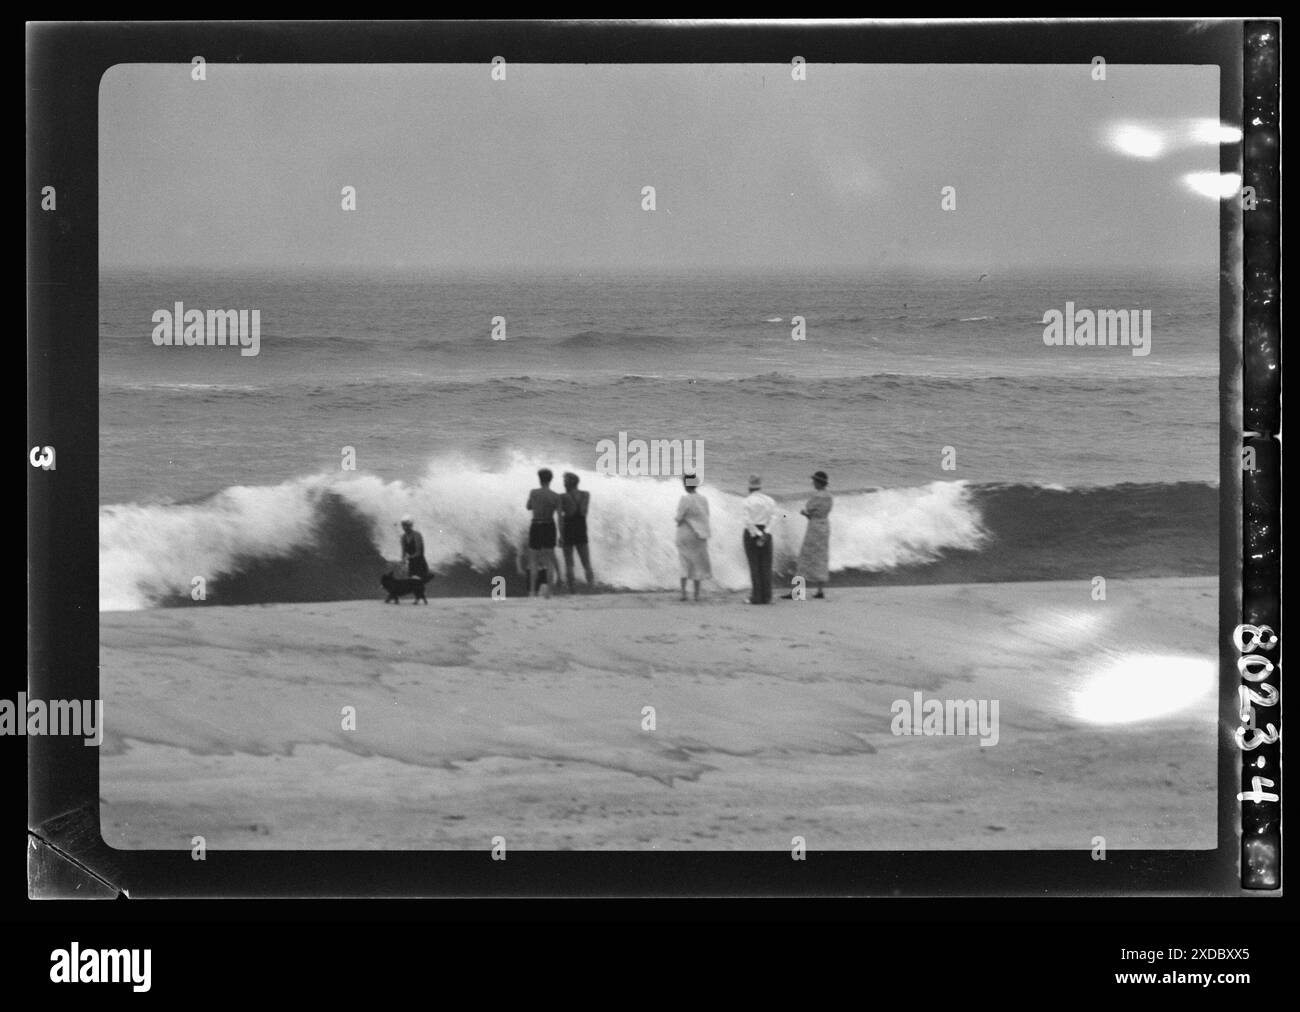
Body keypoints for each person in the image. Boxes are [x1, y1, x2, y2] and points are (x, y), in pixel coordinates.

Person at [789, 471, 832, 599]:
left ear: (818, 482)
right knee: (821, 558)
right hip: (825, 526)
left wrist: (804, 513)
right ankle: (820, 590)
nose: (812, 483)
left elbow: (808, 511)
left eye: (814, 481)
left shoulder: (817, 497)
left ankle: (798, 592)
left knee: (804, 558)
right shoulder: (829, 497)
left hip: (814, 528)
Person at [742, 474, 779, 604]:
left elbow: (748, 521)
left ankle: (756, 597)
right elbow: (774, 518)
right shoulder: (769, 500)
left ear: (749, 487)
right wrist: (765, 534)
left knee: (755, 566)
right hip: (767, 532)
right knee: (766, 565)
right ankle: (766, 596)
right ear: (760, 486)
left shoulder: (747, 501)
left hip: (752, 534)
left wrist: (757, 534)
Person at [525, 468, 562, 598]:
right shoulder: (556, 496)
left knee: (533, 560)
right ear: (550, 480)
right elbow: (559, 516)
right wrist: (561, 535)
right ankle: (549, 593)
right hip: (549, 526)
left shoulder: (533, 493)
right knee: (549, 561)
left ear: (539, 479)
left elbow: (528, 506)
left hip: (536, 525)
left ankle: (532, 592)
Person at [674, 472, 711, 601]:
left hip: (685, 534)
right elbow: (707, 515)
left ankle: (684, 593)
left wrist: (677, 519)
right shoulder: (704, 499)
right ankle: (696, 595)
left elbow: (679, 518)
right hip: (700, 535)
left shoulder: (685, 499)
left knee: (684, 562)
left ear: (686, 485)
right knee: (697, 563)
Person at [559, 472, 594, 593]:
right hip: (581, 529)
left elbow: (561, 517)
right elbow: (583, 512)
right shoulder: (586, 495)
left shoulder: (562, 497)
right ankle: (591, 588)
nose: (563, 483)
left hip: (568, 530)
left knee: (569, 562)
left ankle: (572, 590)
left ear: (570, 482)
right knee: (586, 562)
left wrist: (561, 535)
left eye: (565, 480)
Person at [399, 515, 430, 580]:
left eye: (406, 525)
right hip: (411, 565)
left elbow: (418, 553)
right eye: (403, 525)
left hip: (420, 564)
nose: (404, 527)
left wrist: (408, 558)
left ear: (410, 525)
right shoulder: (403, 537)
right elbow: (403, 553)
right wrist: (402, 564)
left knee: (416, 584)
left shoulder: (417, 535)